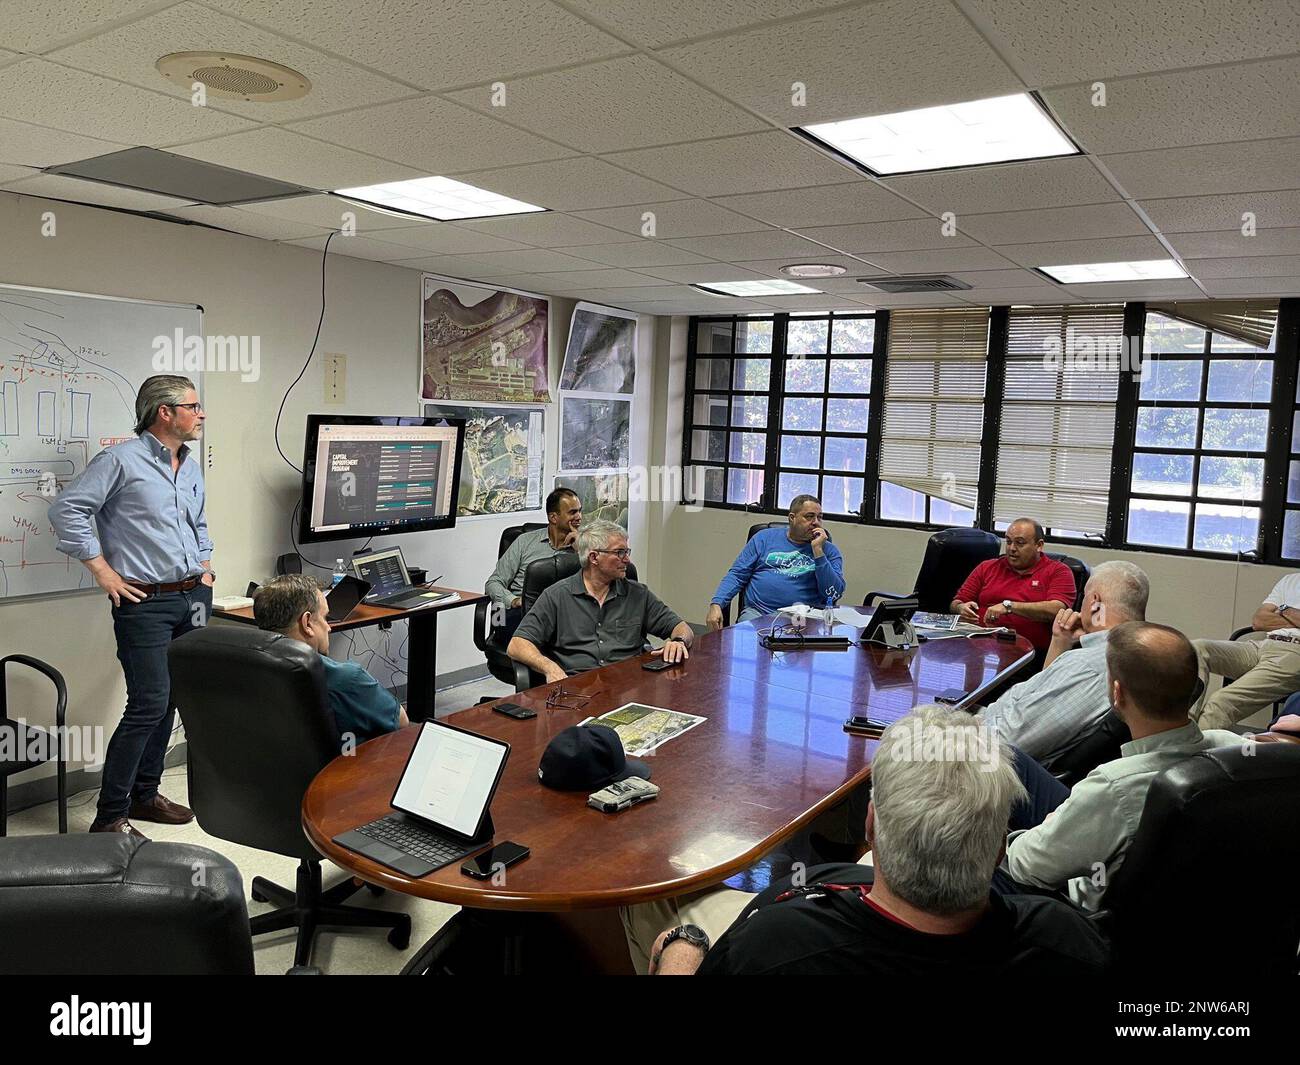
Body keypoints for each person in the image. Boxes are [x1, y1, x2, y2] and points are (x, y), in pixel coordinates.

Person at [631, 705, 1109, 976]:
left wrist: (687, 948)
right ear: (1001, 846)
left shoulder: (773, 945)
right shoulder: (1067, 939)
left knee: (651, 898)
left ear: (871, 826)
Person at [1002, 622, 1300, 911]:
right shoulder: (1232, 746)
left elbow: (1024, 867)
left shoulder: (1111, 786)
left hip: (1080, 914)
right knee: (1009, 758)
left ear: (1117, 694)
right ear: (1194, 688)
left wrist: (1040, 829)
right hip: (1188, 905)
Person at [48, 375, 213, 839]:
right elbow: (67, 509)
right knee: (147, 704)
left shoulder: (190, 464)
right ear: (166, 412)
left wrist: (205, 565)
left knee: (172, 700)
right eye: (193, 406)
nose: (200, 415)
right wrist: (103, 571)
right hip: (145, 603)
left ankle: (145, 794)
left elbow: (196, 520)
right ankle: (108, 817)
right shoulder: (120, 460)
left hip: (193, 596)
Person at [978, 561, 1197, 766]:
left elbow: (1003, 740)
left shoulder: (1088, 667)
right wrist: (1060, 642)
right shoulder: (1143, 655)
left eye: (1083, 599)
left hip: (987, 754)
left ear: (1095, 603)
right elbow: (1041, 696)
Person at [508, 519, 693, 682]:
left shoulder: (638, 594)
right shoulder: (557, 595)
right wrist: (550, 668)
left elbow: (683, 629)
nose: (627, 560)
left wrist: (678, 641)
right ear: (594, 557)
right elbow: (517, 645)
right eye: (620, 553)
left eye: (627, 551)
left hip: (629, 686)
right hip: (579, 690)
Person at [252, 574, 408, 741]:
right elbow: (401, 722)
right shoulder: (346, 679)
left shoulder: (248, 670)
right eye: (325, 617)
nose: (328, 628)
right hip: (348, 763)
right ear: (307, 623)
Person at [705, 495, 845, 629]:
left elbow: (832, 595)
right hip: (759, 614)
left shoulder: (829, 551)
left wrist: (818, 552)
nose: (815, 522)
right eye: (809, 516)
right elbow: (737, 574)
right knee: (748, 645)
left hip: (805, 619)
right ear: (792, 518)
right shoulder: (763, 539)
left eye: (819, 517)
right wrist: (716, 604)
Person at [950, 518, 1077, 653]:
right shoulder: (987, 567)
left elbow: (1057, 609)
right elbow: (956, 603)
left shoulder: (1058, 571)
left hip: (1029, 653)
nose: (1012, 548)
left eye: (1020, 543)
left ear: (1039, 545)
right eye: (1009, 542)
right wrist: (960, 608)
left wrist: (1009, 606)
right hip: (979, 646)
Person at [1193, 570, 1300, 729]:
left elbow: (1267, 618)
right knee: (1195, 649)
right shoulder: (1290, 580)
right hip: (1265, 644)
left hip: (1294, 653)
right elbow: (1259, 621)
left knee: (1221, 703)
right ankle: (1181, 727)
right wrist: (1294, 616)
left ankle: (1186, 752)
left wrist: (1283, 609)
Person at [484, 487, 581, 635]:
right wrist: (513, 600)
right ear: (553, 517)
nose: (579, 517)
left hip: (563, 615)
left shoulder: (585, 547)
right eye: (573, 512)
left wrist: (580, 549)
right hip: (522, 613)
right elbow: (493, 583)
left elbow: (595, 585)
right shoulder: (524, 541)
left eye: (580, 511)